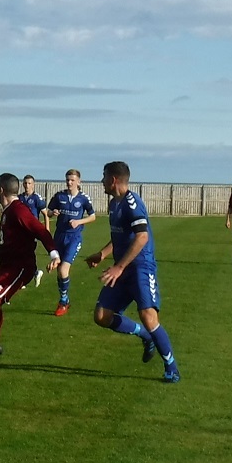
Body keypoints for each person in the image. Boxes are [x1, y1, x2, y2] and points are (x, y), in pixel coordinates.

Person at [85, 160, 180, 383]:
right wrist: (102, 254)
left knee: (148, 315)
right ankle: (145, 336)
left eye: (104, 176)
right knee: (102, 316)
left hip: (140, 267)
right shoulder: (113, 205)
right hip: (123, 267)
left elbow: (142, 236)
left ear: (114, 180)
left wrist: (119, 266)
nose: (101, 181)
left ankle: (171, 367)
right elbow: (119, 237)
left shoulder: (132, 204)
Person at [0, 173, 60, 373]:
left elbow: (39, 230)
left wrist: (54, 255)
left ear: (1, 190)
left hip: (19, 267)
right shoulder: (9, 210)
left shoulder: (18, 210)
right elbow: (12, 239)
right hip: (7, 264)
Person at [46, 169, 97, 317]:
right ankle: (64, 299)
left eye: (72, 180)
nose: (69, 182)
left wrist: (79, 221)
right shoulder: (59, 196)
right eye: (68, 180)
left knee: (63, 270)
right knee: (59, 271)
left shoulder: (83, 199)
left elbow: (93, 216)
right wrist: (52, 213)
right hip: (59, 237)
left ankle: (63, 301)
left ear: (78, 181)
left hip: (74, 238)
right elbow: (48, 212)